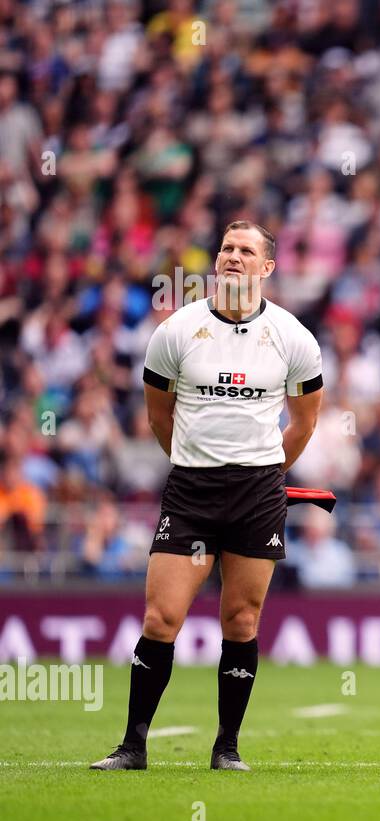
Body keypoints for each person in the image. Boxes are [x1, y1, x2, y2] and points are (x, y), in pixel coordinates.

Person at [90, 220, 325, 772]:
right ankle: (133, 746)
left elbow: (304, 423)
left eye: (246, 251)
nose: (232, 258)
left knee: (241, 622)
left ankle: (227, 748)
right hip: (191, 491)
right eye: (226, 248)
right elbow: (157, 414)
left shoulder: (294, 338)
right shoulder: (175, 331)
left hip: (258, 493)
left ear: (267, 267)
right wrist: (198, 461)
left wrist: (263, 471)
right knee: (160, 619)